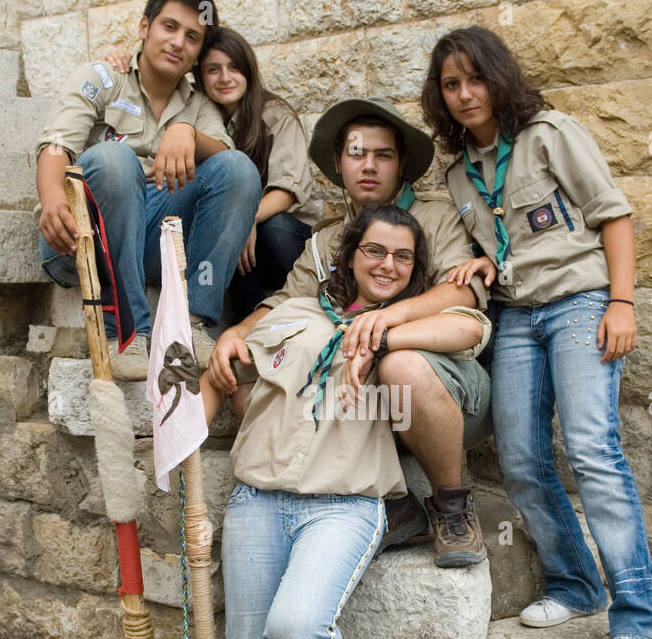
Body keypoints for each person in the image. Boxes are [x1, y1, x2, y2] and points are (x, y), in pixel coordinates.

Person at [197, 202, 490, 639]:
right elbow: (216, 377)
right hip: (259, 501)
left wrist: (382, 325)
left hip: (346, 504)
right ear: (350, 257)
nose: (386, 265)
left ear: (414, 270)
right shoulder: (291, 317)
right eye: (374, 253)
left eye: (401, 257)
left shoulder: (413, 339)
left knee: (296, 629)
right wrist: (183, 441)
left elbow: (468, 324)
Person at [421, 24, 652, 639]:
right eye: (451, 84)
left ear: (499, 79)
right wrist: (478, 259)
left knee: (592, 449)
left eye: (475, 78)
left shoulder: (551, 134)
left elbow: (612, 215)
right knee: (524, 459)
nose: (466, 94)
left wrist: (622, 303)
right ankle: (574, 583)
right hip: (515, 315)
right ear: (439, 97)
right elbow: (502, 237)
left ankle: (639, 619)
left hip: (580, 303)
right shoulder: (456, 173)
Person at [206, 97, 493, 567]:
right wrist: (236, 332)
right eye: (357, 153)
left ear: (401, 164)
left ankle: (450, 506)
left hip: (436, 391)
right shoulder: (324, 241)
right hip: (354, 397)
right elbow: (285, 304)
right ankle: (382, 502)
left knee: (400, 366)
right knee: (247, 364)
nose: (369, 166)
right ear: (339, 163)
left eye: (383, 155)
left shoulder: (436, 218)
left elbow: (463, 296)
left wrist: (389, 321)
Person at [36, 0, 261, 378]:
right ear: (144, 29)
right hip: (81, 237)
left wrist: (187, 132)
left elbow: (228, 159)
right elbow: (56, 145)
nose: (178, 42)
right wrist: (53, 198)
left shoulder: (199, 105)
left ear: (197, 53)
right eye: (169, 27)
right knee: (113, 159)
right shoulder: (105, 78)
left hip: (153, 243)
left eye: (192, 37)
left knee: (239, 167)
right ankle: (125, 335)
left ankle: (191, 327)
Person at [103, 25, 315, 321]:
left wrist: (246, 218)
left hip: (273, 234)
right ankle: (242, 324)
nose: (225, 78)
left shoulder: (275, 115)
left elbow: (287, 191)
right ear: (199, 75)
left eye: (235, 68)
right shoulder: (191, 112)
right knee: (224, 231)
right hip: (224, 239)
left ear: (249, 71)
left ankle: (271, 314)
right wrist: (122, 57)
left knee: (273, 231)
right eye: (213, 70)